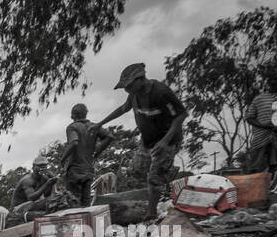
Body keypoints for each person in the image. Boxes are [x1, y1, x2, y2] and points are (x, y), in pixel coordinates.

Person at [96, 63, 187, 220]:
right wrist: (100, 123)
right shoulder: (134, 94)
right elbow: (123, 108)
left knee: (154, 177)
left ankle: (151, 213)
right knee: (136, 169)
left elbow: (181, 115)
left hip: (167, 141)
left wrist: (165, 142)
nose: (126, 90)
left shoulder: (161, 92)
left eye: (128, 86)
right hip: (147, 141)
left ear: (140, 79)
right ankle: (163, 178)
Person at [244, 71, 277, 174]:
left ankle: (271, 187)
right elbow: (249, 117)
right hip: (260, 136)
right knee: (255, 165)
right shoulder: (259, 98)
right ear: (270, 81)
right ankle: (253, 186)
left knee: (274, 165)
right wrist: (263, 125)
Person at [59, 103, 112, 206]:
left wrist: (63, 159)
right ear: (86, 114)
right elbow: (109, 137)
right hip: (88, 169)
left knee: (73, 201)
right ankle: (86, 222)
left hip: (75, 170)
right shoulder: (94, 126)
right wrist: (97, 152)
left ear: (72, 115)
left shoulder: (72, 127)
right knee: (86, 201)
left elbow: (74, 142)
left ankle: (75, 222)